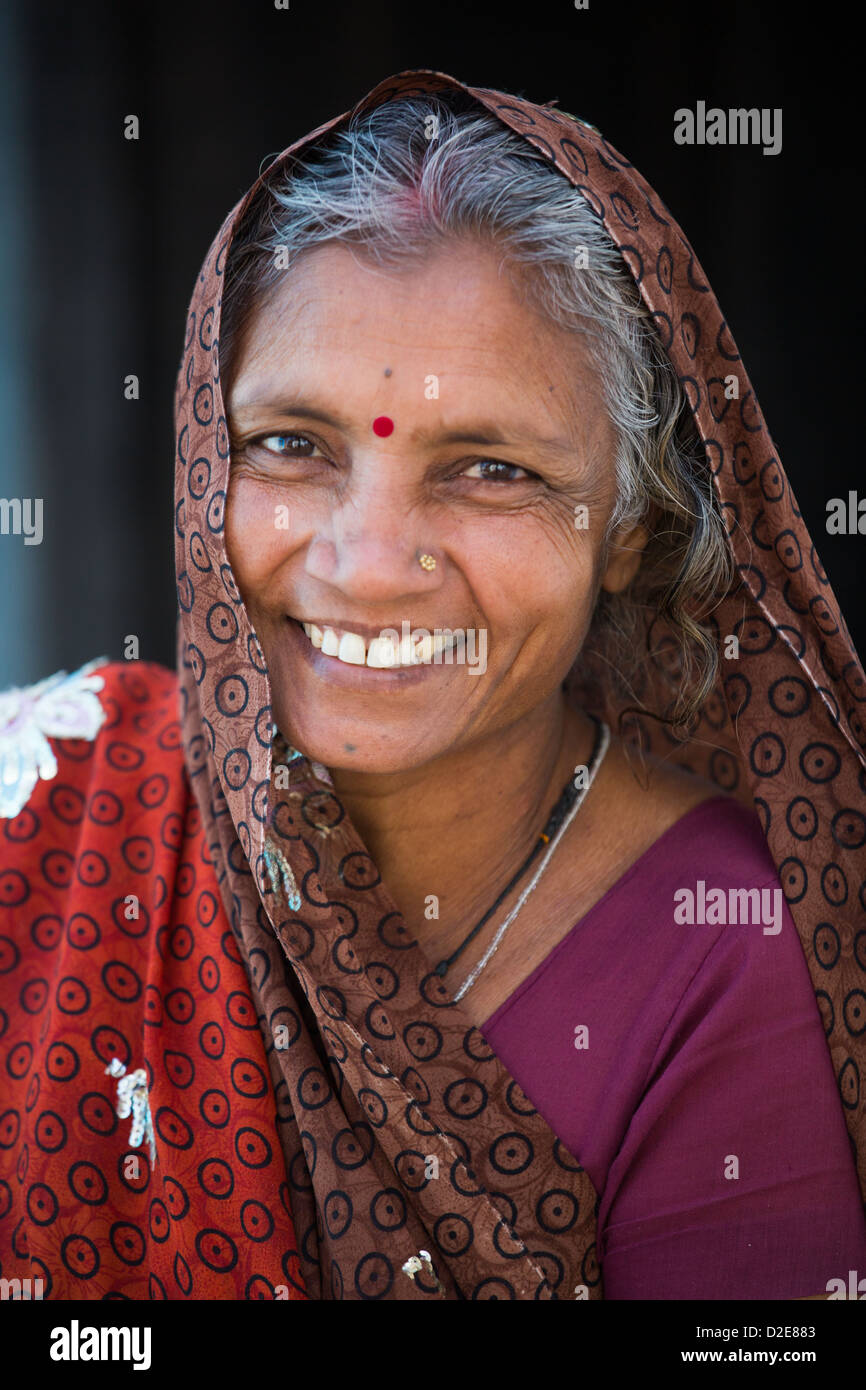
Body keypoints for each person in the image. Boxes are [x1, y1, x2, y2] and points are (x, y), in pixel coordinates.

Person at [1, 68, 864, 1301]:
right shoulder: (46, 807)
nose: (365, 565)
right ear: (207, 460)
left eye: (489, 469)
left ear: (626, 523)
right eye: (292, 446)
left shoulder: (710, 953)